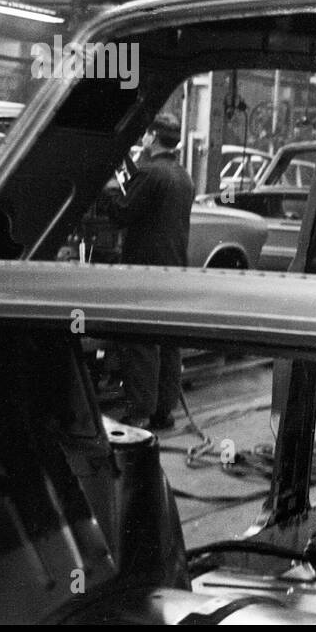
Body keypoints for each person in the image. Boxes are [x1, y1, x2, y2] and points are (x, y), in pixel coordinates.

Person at [107, 112, 193, 430]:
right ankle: (163, 411)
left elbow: (122, 212)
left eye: (146, 134)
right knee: (168, 340)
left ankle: (140, 413)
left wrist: (113, 186)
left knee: (141, 341)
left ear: (153, 138)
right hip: (174, 268)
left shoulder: (151, 172)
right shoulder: (183, 177)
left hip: (145, 270)